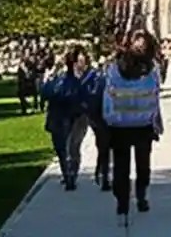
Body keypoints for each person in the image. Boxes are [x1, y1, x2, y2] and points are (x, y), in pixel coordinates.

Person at [104, 30, 164, 225]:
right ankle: (141, 195)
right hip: (143, 124)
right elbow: (154, 97)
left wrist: (108, 118)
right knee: (142, 163)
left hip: (119, 124)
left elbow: (108, 96)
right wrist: (157, 121)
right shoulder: (151, 70)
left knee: (121, 165)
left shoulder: (113, 69)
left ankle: (122, 202)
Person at [40, 45, 92, 191]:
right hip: (62, 116)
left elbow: (46, 93)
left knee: (68, 148)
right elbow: (46, 93)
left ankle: (70, 175)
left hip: (71, 117)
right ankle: (69, 174)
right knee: (65, 148)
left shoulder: (75, 80)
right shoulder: (59, 79)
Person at [85, 52, 112, 191]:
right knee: (106, 149)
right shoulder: (106, 81)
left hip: (99, 119)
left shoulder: (97, 80)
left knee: (103, 149)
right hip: (105, 119)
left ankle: (102, 173)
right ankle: (104, 175)